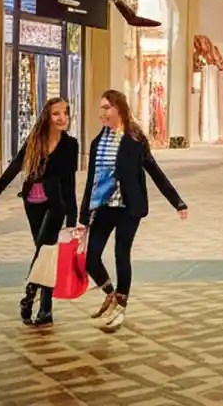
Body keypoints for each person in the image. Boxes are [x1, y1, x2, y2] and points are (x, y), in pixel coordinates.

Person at [79, 89, 188, 333]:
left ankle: (121, 306)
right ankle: (110, 294)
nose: (102, 113)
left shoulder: (135, 140)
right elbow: (91, 182)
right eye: (101, 108)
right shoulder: (98, 142)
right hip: (105, 207)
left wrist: (177, 201)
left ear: (119, 108)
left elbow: (154, 170)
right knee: (91, 258)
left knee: (121, 253)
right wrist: (83, 218)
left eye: (107, 107)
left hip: (129, 208)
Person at [0, 97, 79, 326]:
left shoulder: (70, 145)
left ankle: (31, 296)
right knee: (44, 254)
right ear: (47, 116)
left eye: (65, 113)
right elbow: (15, 166)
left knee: (45, 252)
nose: (62, 117)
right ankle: (45, 311)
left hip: (56, 206)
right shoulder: (35, 140)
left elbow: (69, 184)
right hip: (32, 203)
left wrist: (72, 219)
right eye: (56, 113)